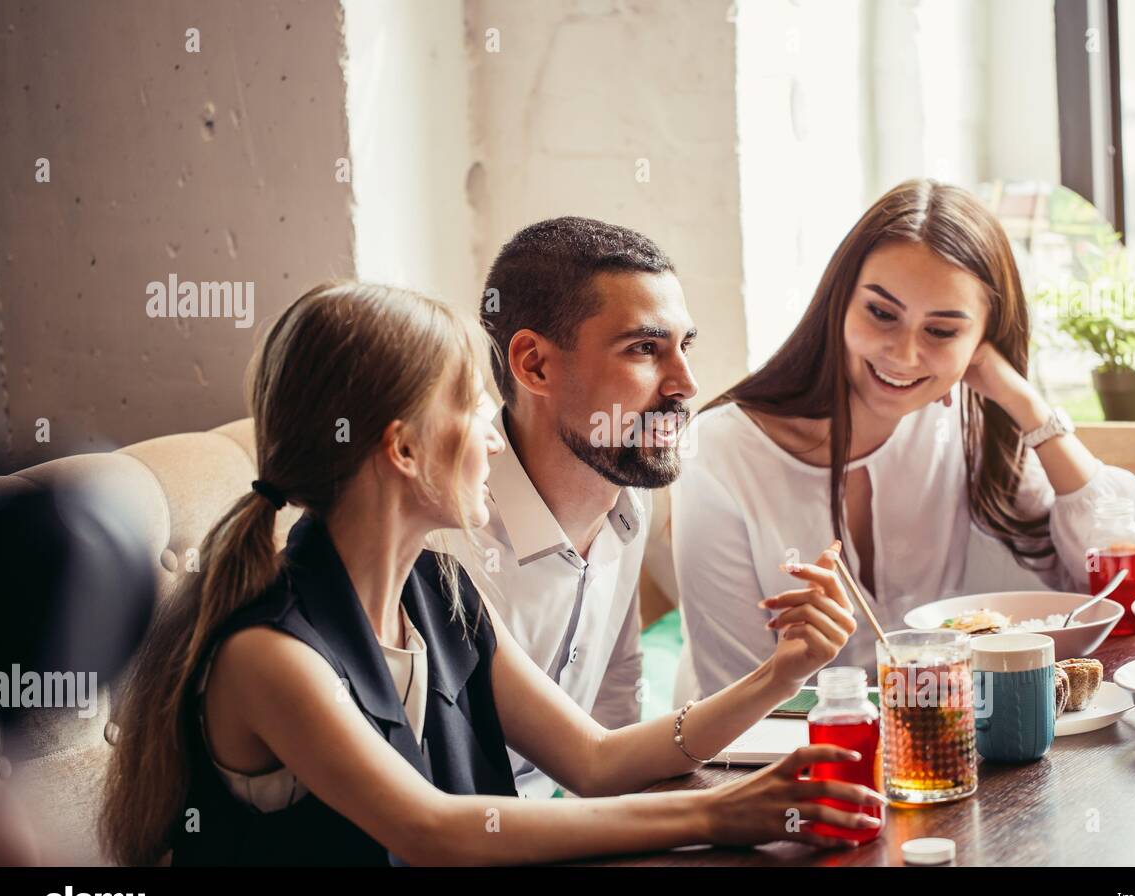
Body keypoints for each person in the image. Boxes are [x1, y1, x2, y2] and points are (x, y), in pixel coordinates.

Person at [99, 281, 881, 866]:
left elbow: (596, 760)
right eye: (475, 409)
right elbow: (433, 829)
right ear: (402, 449)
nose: (495, 440)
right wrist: (716, 815)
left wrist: (782, 674)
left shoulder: (440, 593)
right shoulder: (270, 658)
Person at [671, 179, 1135, 700]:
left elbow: (1128, 595)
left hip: (932, 739)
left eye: (943, 331)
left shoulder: (964, 421)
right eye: (881, 314)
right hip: (769, 759)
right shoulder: (719, 454)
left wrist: (1027, 405)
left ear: (982, 342)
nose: (903, 356)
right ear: (840, 300)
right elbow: (732, 694)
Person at [446, 216, 693, 798]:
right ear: (533, 365)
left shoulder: (627, 497)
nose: (686, 382)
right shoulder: (443, 539)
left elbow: (616, 697)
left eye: (685, 347)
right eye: (644, 349)